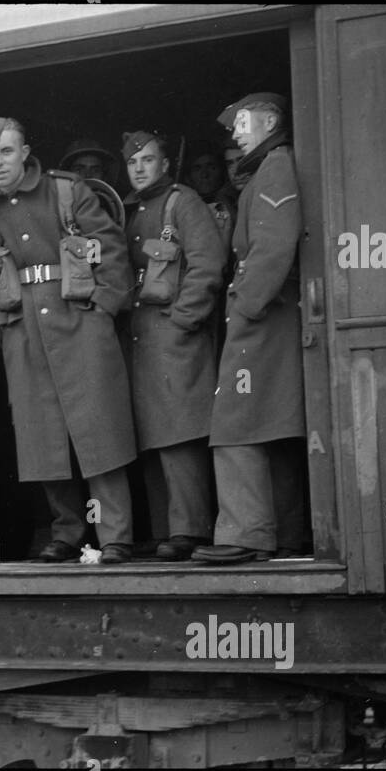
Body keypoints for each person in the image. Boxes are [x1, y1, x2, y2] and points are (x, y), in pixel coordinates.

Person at [0, 116, 137, 564]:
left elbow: (109, 248)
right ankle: (67, 532)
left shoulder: (66, 190)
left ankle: (116, 535)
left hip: (79, 318)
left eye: (7, 152)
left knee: (98, 426)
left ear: (25, 152)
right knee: (44, 435)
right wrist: (1, 328)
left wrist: (104, 309)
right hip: (24, 327)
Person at [193, 94, 310, 564]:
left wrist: (245, 305)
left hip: (260, 315)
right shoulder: (268, 165)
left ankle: (244, 534)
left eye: (243, 123)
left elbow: (274, 245)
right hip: (271, 316)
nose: (236, 133)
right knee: (274, 425)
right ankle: (286, 535)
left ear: (271, 121)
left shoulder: (275, 166)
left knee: (234, 423)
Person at [120, 130, 224, 560]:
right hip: (138, 337)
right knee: (151, 436)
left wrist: (183, 320)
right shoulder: (127, 211)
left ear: (165, 164)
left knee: (180, 432)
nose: (140, 168)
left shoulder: (183, 202)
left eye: (148, 160)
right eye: (133, 163)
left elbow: (207, 264)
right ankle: (166, 530)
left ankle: (190, 528)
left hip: (174, 334)